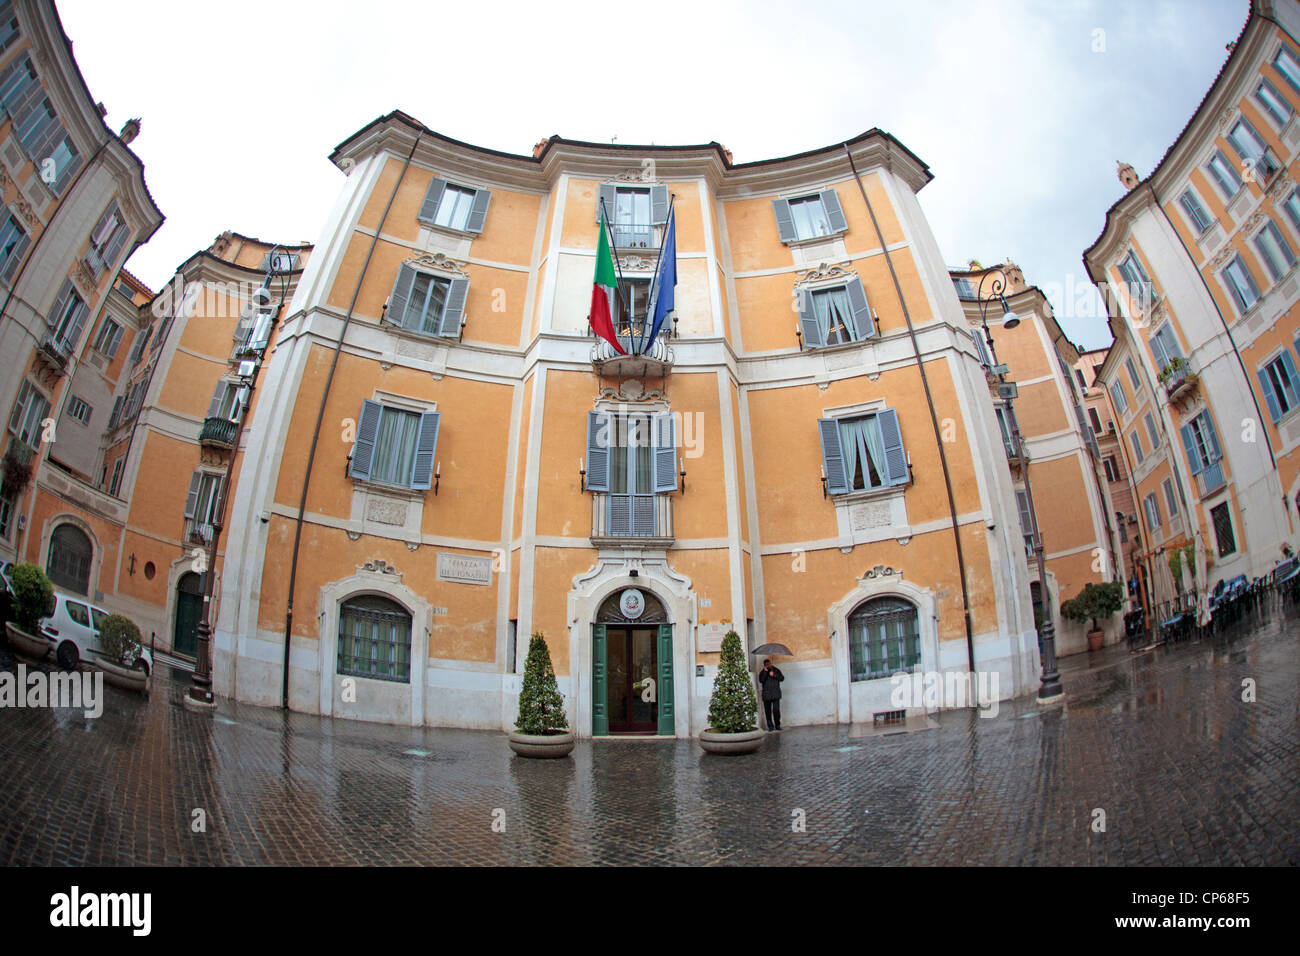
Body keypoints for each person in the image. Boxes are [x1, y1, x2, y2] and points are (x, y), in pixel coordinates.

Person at [758, 658, 784, 731]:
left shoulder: (776, 670)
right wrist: (766, 672)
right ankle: (770, 726)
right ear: (765, 665)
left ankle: (777, 725)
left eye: (769, 664)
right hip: (767, 694)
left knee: (776, 710)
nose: (768, 665)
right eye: (767, 664)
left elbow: (782, 678)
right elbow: (761, 680)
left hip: (775, 693)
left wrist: (774, 675)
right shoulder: (762, 672)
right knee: (768, 711)